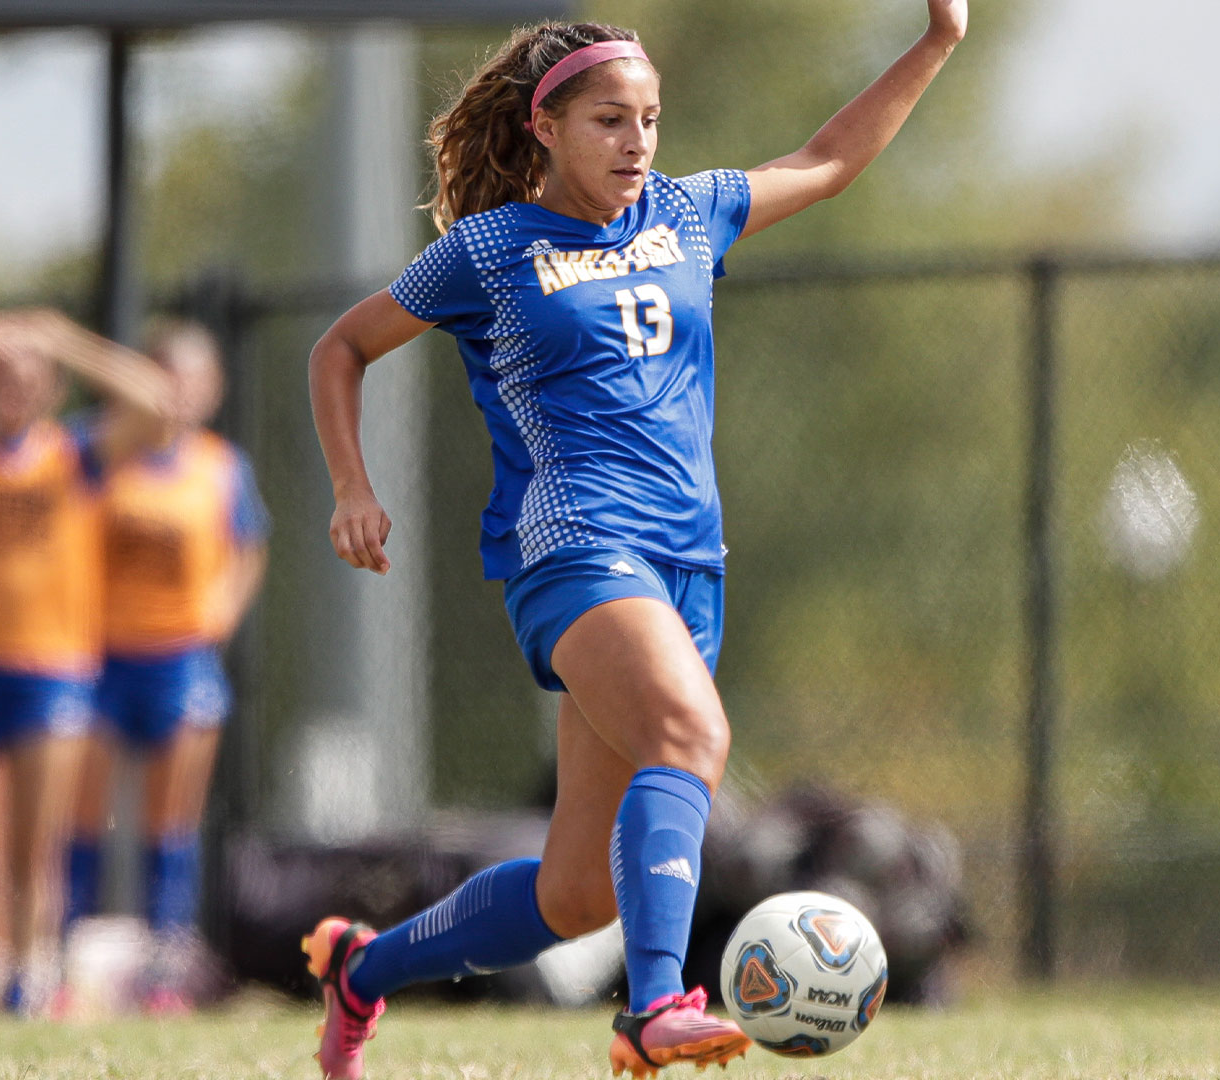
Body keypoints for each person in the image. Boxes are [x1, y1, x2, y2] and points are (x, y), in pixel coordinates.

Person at [302, 6, 966, 1077]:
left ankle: (363, 971)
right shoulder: (492, 248)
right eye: (611, 119)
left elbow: (830, 160)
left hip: (688, 569)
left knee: (573, 897)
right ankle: (654, 1008)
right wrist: (351, 486)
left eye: (650, 120)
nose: (638, 142)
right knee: (694, 740)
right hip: (572, 550)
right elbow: (343, 347)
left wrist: (936, 43)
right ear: (546, 127)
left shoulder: (689, 213)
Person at [61, 319, 268, 1014]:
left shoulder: (219, 466)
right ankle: (66, 963)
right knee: (82, 817)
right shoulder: (103, 451)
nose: (179, 391)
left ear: (213, 389)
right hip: (101, 658)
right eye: (167, 374)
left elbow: (246, 547)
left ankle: (164, 972)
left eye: (194, 378)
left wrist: (219, 615)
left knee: (169, 823)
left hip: (180, 662)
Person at [0, 308, 166, 1016]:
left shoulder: (73, 455)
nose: (13, 386)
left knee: (38, 843)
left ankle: (32, 979)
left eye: (27, 377)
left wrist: (62, 338)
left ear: (51, 388)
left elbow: (157, 402)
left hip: (52, 668)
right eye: (1, 375)